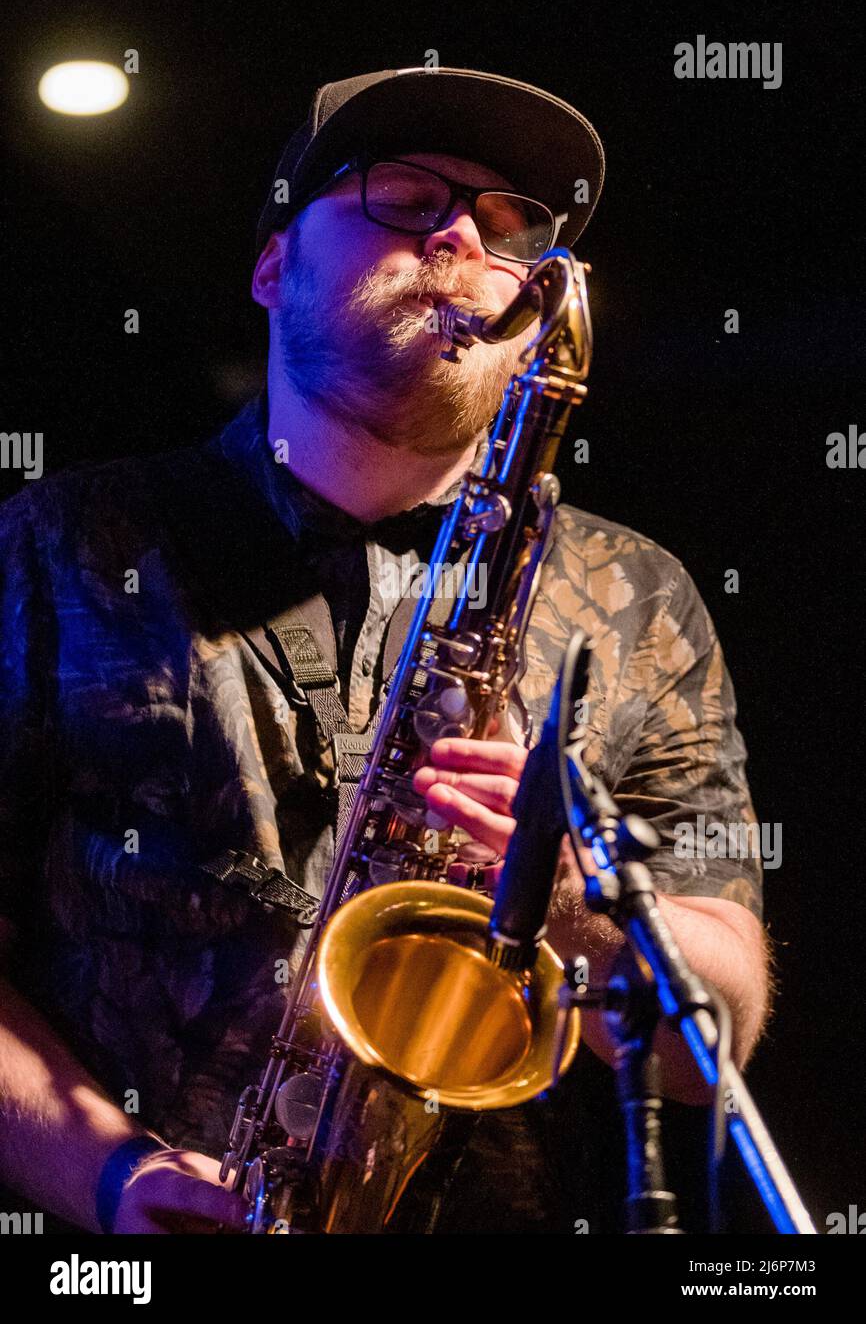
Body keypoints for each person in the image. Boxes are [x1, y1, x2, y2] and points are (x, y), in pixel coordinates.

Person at [0, 68, 769, 1235]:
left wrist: (567, 897)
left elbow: (707, 1046)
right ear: (271, 268)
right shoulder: (55, 545)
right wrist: (114, 1178)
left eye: (508, 221)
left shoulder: (640, 593)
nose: (462, 232)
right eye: (405, 194)